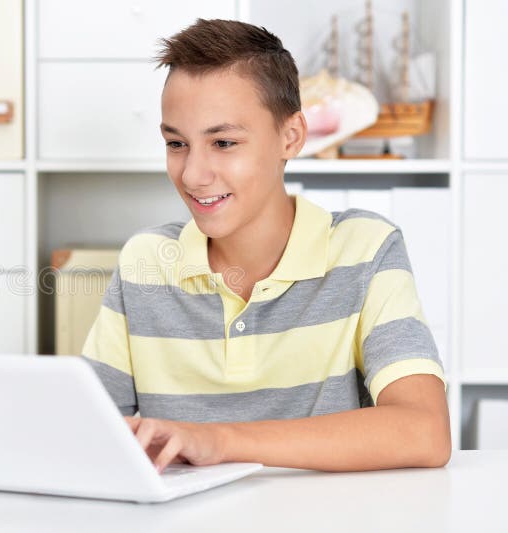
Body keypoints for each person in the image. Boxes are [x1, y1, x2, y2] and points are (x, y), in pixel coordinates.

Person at [80, 18, 450, 473]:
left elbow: (425, 432)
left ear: (290, 136)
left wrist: (218, 441)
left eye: (224, 142)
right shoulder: (146, 261)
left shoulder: (364, 249)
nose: (193, 174)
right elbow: (89, 437)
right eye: (177, 143)